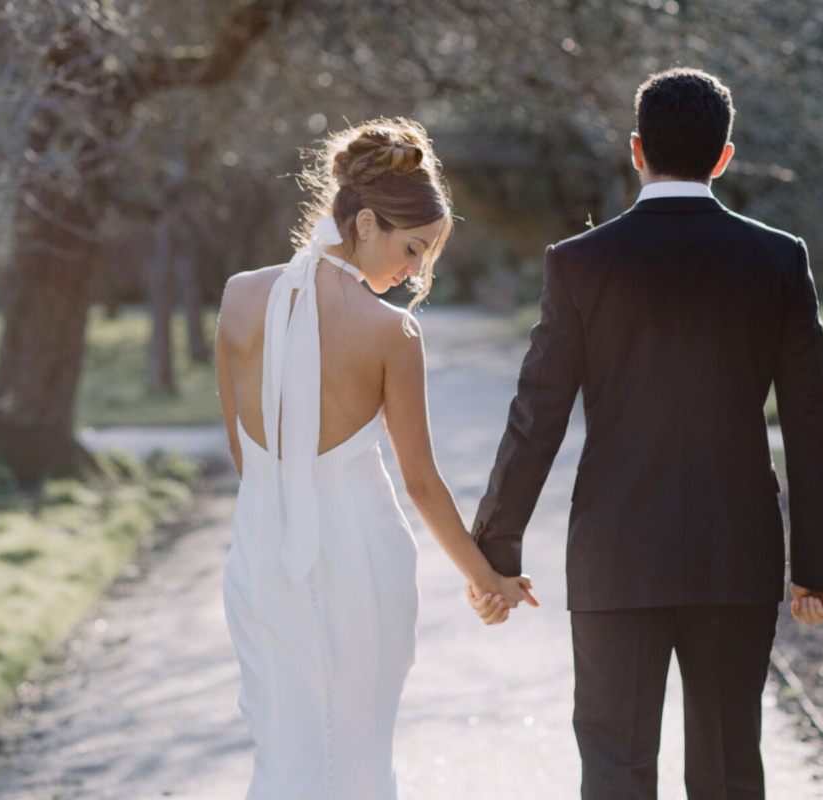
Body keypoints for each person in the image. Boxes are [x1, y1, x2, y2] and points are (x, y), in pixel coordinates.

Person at [468, 68, 823, 799]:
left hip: (615, 552)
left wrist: (496, 554)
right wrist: (816, 564)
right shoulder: (778, 260)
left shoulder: (578, 263)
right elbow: (811, 419)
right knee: (732, 766)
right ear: (725, 157)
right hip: (737, 552)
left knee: (615, 766)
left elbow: (536, 414)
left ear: (636, 151)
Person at [214, 118, 534, 800]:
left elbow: (246, 454)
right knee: (356, 750)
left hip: (261, 553)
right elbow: (421, 482)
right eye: (414, 248)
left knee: (288, 746)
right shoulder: (393, 333)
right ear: (364, 225)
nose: (417, 271)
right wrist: (487, 580)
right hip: (358, 560)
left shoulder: (239, 297)